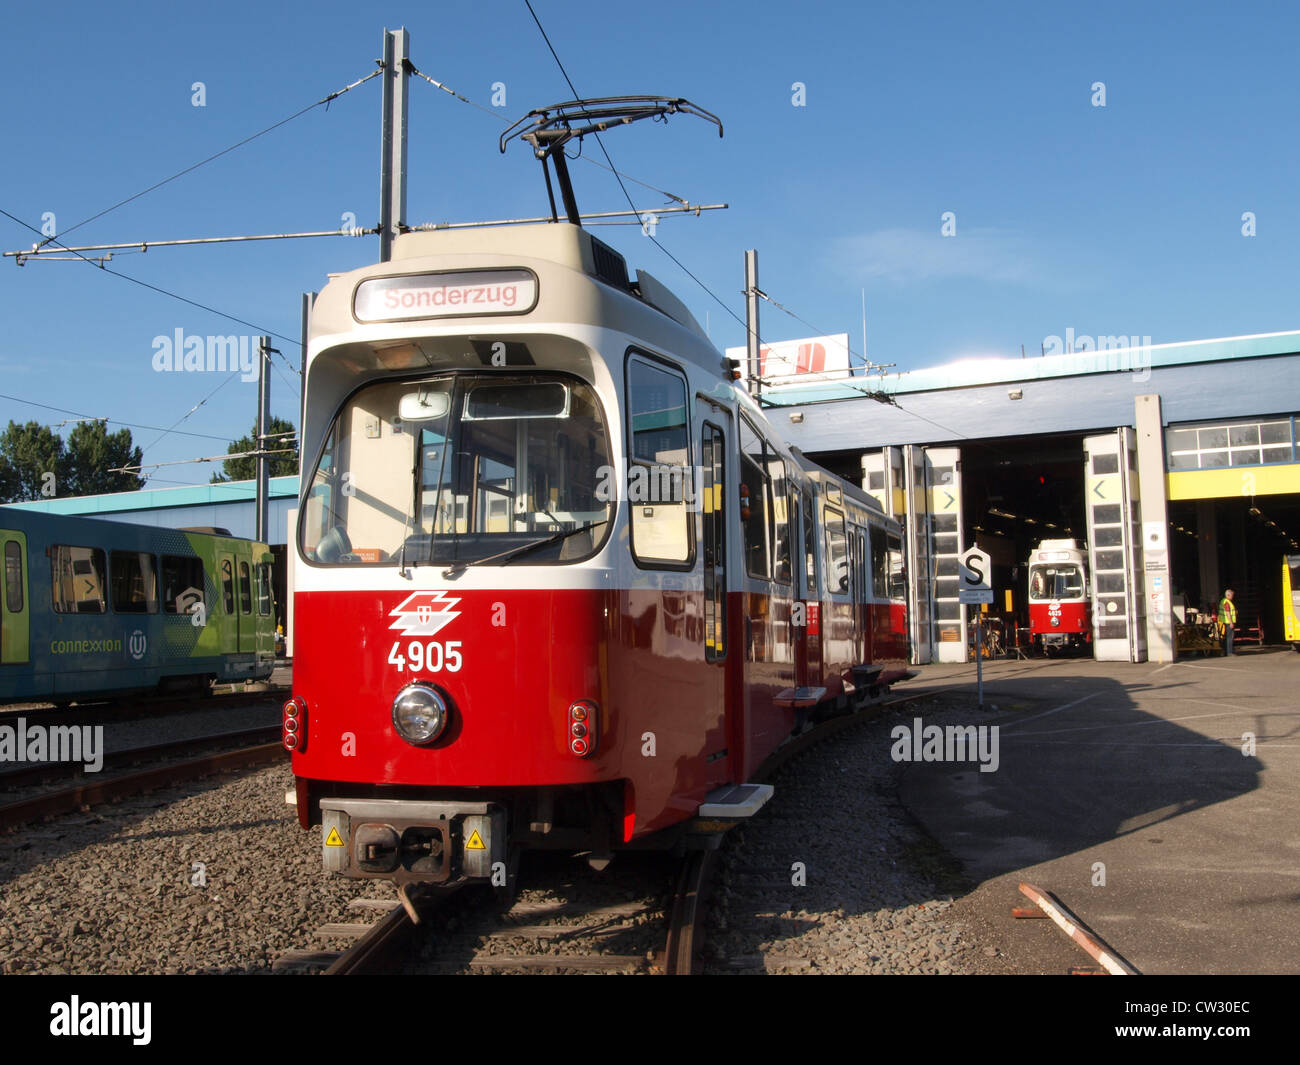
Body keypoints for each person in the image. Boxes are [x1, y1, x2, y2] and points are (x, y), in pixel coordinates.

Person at [1218, 588, 1237, 656]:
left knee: (1226, 637)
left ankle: (1225, 652)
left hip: (1224, 622)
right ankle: (1229, 652)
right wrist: (1231, 622)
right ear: (1228, 595)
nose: (1233, 596)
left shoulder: (1224, 601)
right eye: (1232, 595)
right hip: (1228, 622)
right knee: (1230, 637)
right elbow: (1228, 613)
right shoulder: (1226, 602)